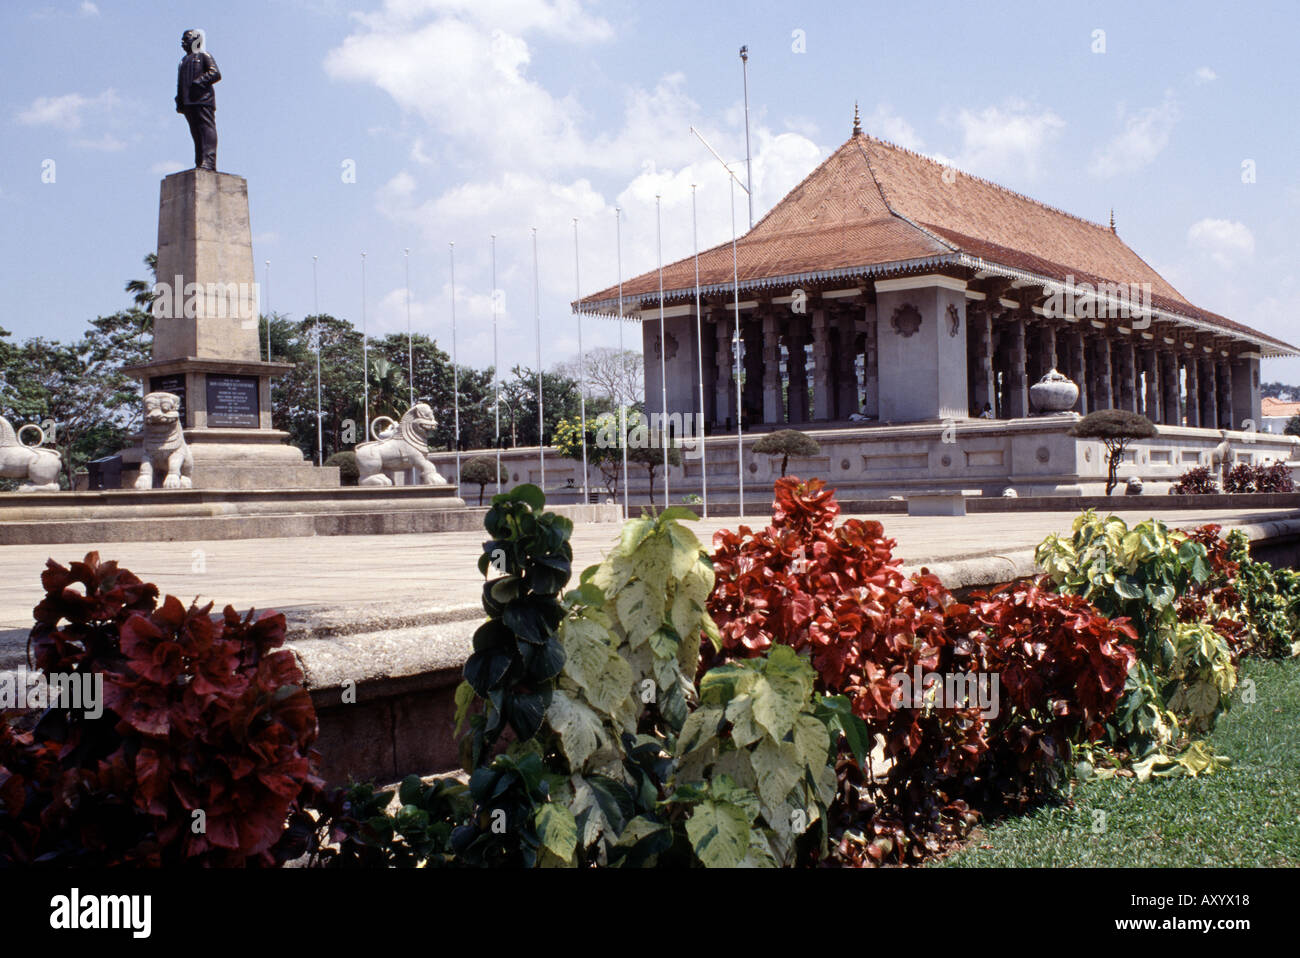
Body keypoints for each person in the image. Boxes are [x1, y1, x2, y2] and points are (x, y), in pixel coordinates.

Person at [176, 29, 221, 171]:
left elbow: (215, 73)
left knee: (206, 130)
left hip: (203, 99)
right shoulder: (183, 61)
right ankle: (200, 161)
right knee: (195, 133)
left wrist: (200, 81)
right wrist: (180, 99)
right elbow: (180, 82)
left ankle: (209, 161)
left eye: (187, 39)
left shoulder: (204, 55)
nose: (183, 42)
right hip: (189, 102)